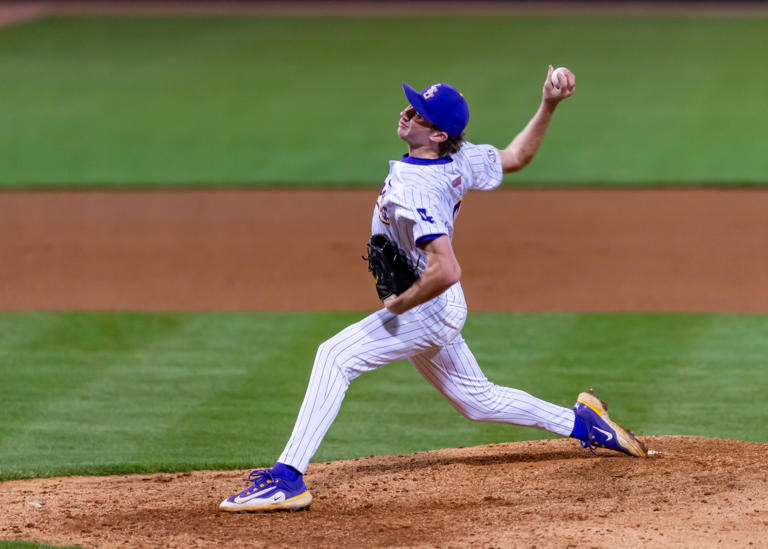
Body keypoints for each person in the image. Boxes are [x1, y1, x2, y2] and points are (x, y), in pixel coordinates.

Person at [220, 65, 646, 513]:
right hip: (439, 305)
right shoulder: (459, 159)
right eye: (413, 105)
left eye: (421, 114)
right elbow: (516, 156)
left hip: (430, 305)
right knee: (475, 399)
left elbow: (446, 269)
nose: (408, 114)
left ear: (440, 134)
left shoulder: (416, 190)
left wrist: (399, 305)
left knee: (335, 356)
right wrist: (548, 104)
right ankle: (585, 423)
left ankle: (287, 478)